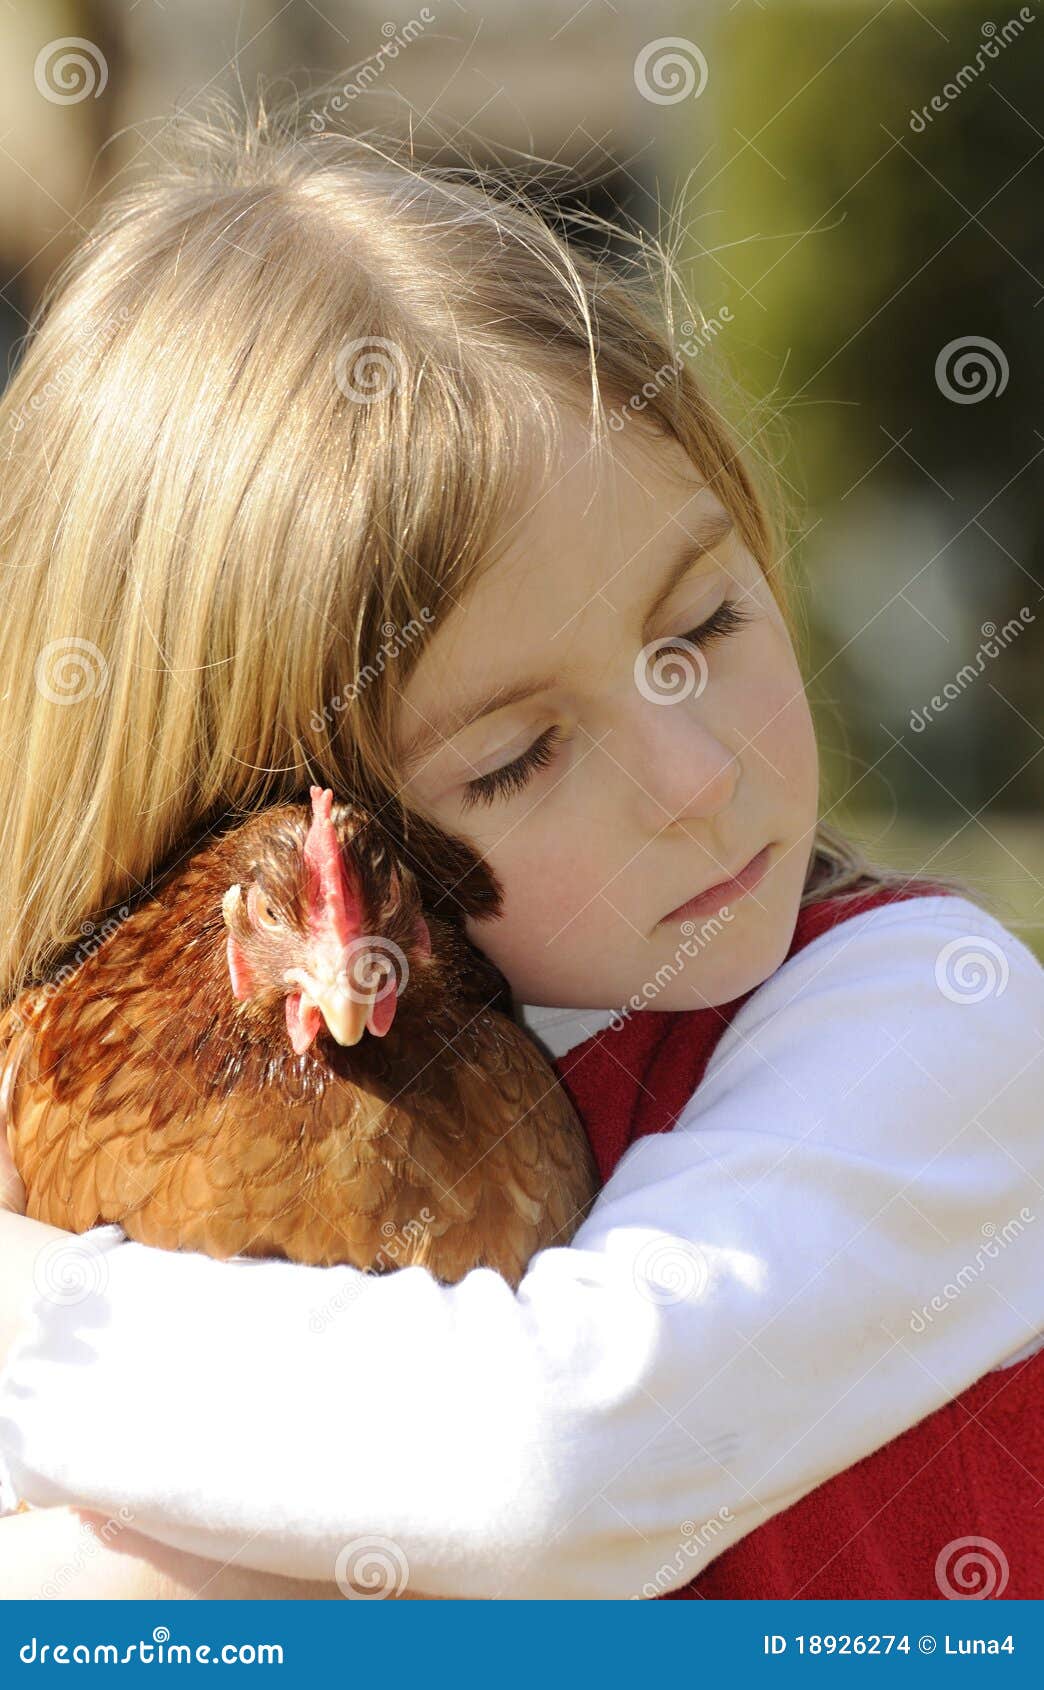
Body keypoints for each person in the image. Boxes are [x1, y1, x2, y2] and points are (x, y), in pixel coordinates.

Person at [0, 95, 1041, 1601]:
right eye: (521, 755)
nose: (694, 775)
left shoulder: (935, 1022)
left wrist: (38, 1327)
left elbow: (555, 1464)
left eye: (705, 625)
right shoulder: (112, 1110)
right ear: (290, 823)